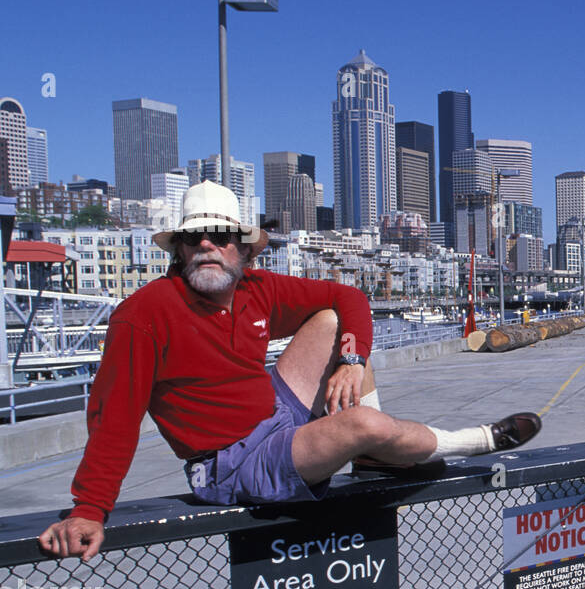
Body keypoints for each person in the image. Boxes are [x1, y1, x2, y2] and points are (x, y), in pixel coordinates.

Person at [39, 181, 539, 563]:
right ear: (179, 249)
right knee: (364, 424)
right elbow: (114, 417)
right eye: (195, 238)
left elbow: (349, 298)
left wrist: (352, 359)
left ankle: (373, 461)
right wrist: (89, 507)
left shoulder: (254, 289)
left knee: (328, 318)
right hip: (230, 460)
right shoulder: (145, 315)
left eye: (222, 237)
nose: (208, 247)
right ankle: (475, 440)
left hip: (275, 412)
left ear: (244, 248)